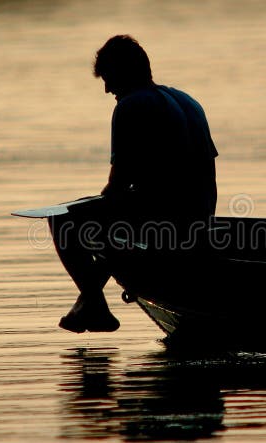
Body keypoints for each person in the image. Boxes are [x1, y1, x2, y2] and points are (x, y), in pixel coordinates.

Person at [51, 34, 218, 333]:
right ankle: (89, 304)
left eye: (108, 78)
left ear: (124, 72)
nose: (106, 89)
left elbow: (117, 186)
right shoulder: (187, 100)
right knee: (107, 219)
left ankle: (93, 302)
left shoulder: (130, 106)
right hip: (200, 216)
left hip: (169, 224)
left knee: (62, 220)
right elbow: (205, 172)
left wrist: (94, 206)